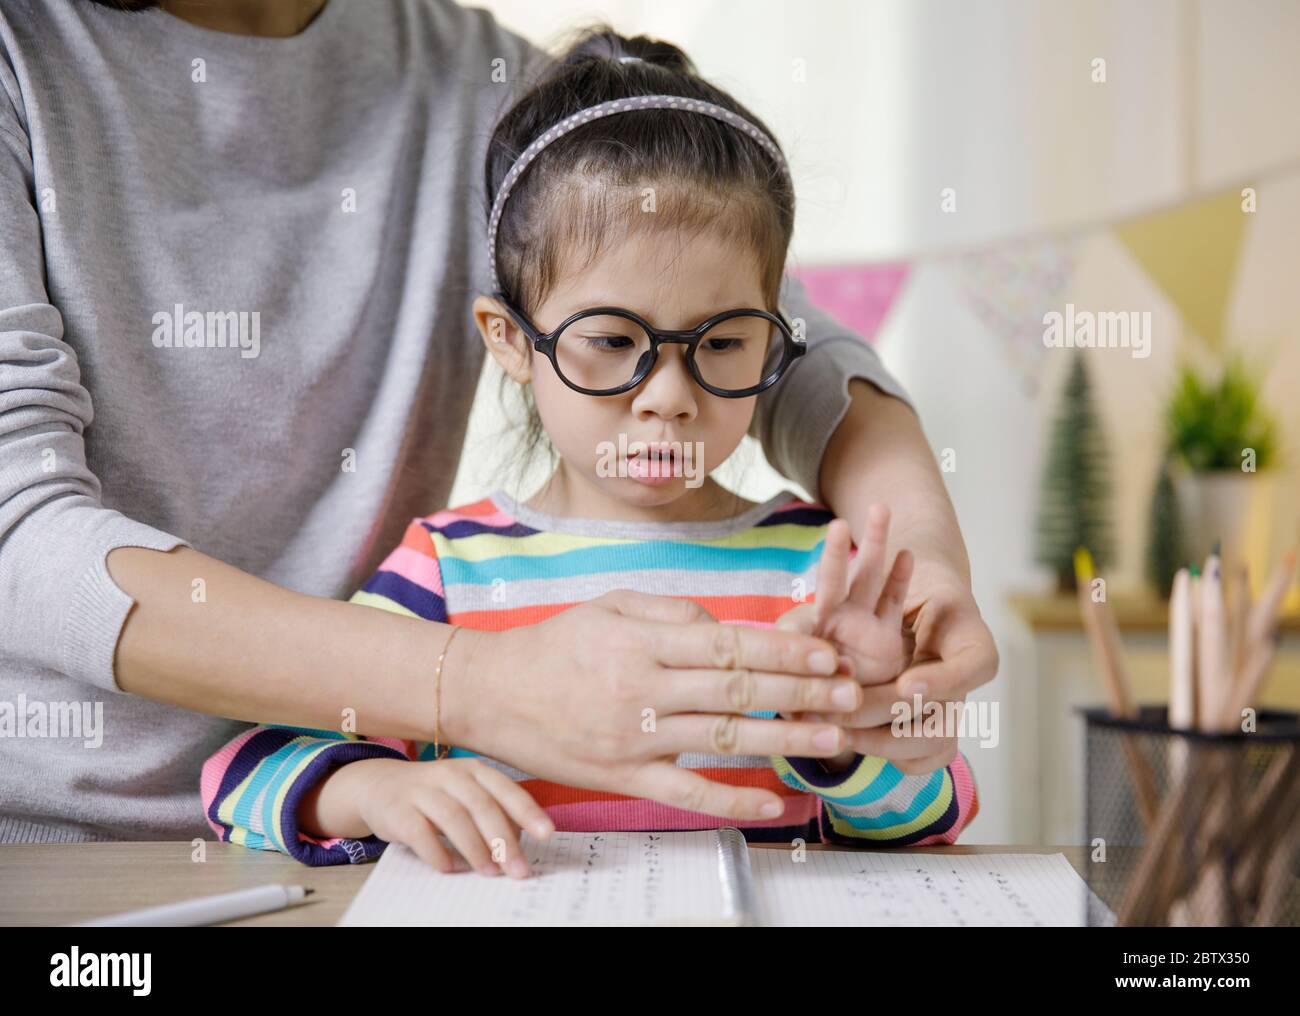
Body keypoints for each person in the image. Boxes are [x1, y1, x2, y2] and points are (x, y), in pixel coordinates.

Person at [0, 0, 996, 845]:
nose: (667, 391)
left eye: (721, 346)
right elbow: (26, 535)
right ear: (511, 341)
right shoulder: (454, 569)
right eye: (610, 340)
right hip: (71, 844)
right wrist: (405, 746)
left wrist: (903, 607)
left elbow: (925, 809)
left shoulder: (811, 569)